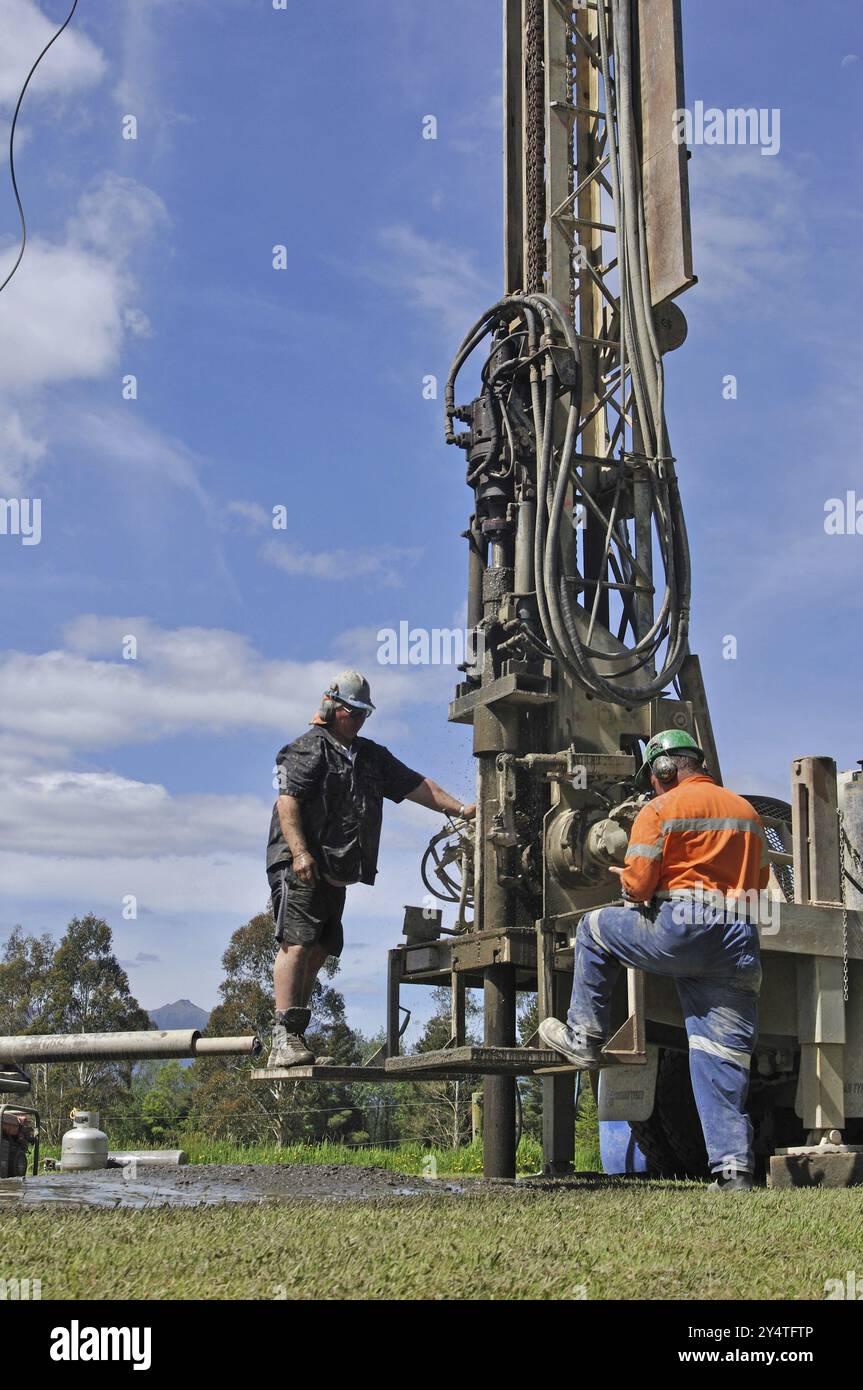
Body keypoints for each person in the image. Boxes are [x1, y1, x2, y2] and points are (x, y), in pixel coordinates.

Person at [539, 729, 769, 1191]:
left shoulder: (659, 810)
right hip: (738, 941)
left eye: (655, 778)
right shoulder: (747, 813)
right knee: (717, 1056)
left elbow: (639, 887)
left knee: (593, 929)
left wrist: (627, 880)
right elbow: (760, 883)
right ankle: (734, 1173)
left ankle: (584, 1036)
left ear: (666, 771)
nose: (654, 787)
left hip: (681, 929)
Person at [265, 669, 475, 1068]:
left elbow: (416, 785)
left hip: (333, 873)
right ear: (332, 707)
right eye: (353, 712)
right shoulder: (306, 750)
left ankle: (296, 1035)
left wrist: (461, 808)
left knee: (323, 946)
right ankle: (282, 1038)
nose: (359, 720)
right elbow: (287, 803)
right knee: (297, 942)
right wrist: (300, 853)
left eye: (365, 714)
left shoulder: (370, 757)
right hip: (302, 867)